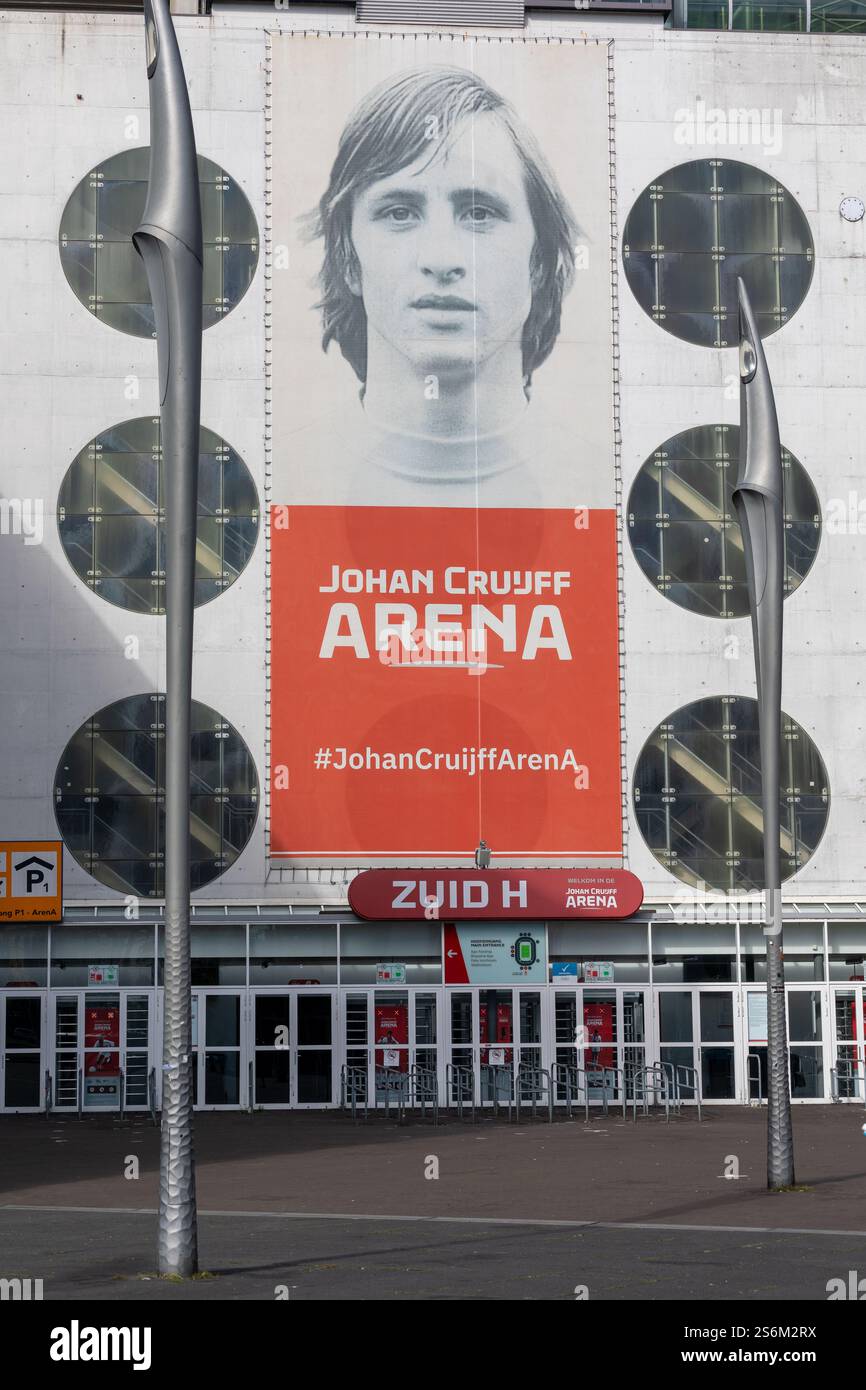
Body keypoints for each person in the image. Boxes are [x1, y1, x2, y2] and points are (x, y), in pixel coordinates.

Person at [294, 65, 596, 508]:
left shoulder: (601, 488)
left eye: (479, 213)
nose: (441, 259)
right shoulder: (287, 476)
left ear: (539, 259)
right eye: (399, 212)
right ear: (347, 258)